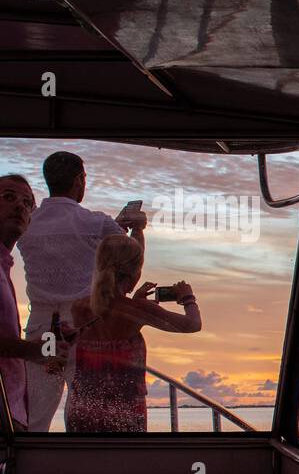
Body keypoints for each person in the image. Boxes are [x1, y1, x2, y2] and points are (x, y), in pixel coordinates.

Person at [17, 151, 147, 432]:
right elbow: (130, 264)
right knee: (82, 408)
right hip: (84, 326)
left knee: (35, 414)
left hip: (41, 326)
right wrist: (137, 230)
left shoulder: (28, 222)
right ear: (79, 180)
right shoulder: (96, 223)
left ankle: (24, 470)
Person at [65, 236, 200, 433]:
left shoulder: (79, 307)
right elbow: (192, 324)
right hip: (123, 414)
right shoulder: (137, 310)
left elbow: (107, 318)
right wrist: (187, 297)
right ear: (135, 273)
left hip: (82, 410)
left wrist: (136, 302)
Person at [0, 174, 68, 431]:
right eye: (8, 197)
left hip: (11, 413)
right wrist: (35, 351)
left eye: (28, 203)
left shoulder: (5, 265)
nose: (20, 206)